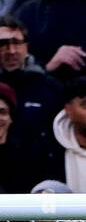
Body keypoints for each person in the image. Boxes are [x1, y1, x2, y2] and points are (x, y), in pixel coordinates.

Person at [0, 15, 65, 147]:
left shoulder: (51, 88)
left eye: (17, 43)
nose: (11, 51)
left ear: (26, 47)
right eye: (3, 44)